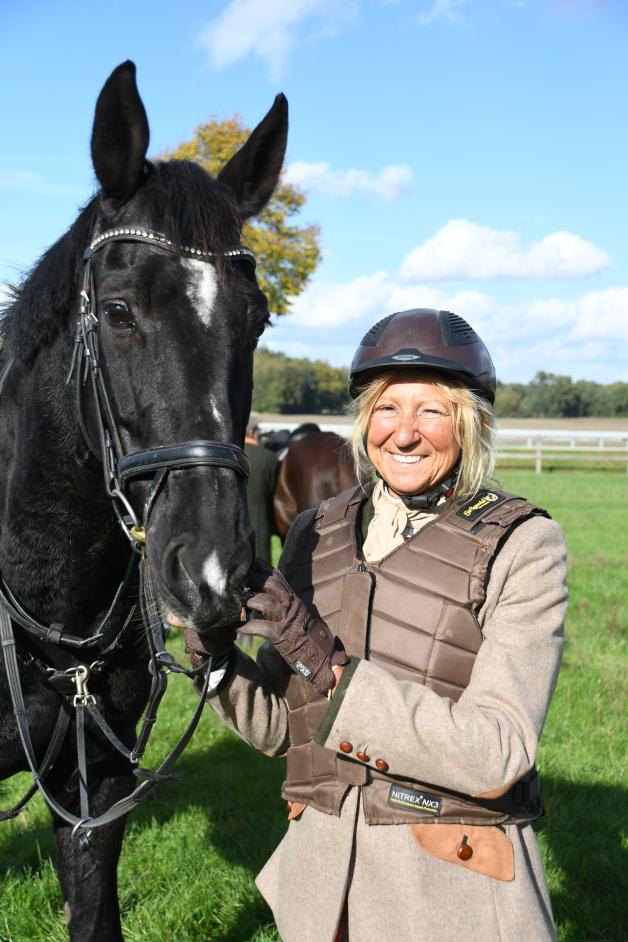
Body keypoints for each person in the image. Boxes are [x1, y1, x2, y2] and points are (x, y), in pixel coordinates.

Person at [187, 309, 568, 942]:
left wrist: (330, 667)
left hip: (448, 888)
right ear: (365, 420)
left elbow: (499, 750)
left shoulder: (525, 545)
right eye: (387, 408)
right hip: (321, 889)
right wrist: (212, 652)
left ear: (468, 423)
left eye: (431, 411)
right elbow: (283, 728)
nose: (405, 433)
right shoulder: (315, 531)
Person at [244, 413, 279, 564]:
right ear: (252, 432)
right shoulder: (269, 458)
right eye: (258, 429)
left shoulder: (229, 454)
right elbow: (273, 492)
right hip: (259, 526)